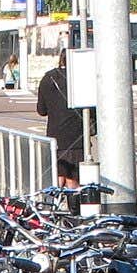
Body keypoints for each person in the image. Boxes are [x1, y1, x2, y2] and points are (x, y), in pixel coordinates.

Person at [36, 49, 94, 190]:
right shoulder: (82, 79)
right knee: (73, 179)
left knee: (58, 175)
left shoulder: (47, 78)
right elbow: (92, 110)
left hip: (55, 137)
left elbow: (41, 110)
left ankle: (51, 207)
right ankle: (74, 210)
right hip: (77, 137)